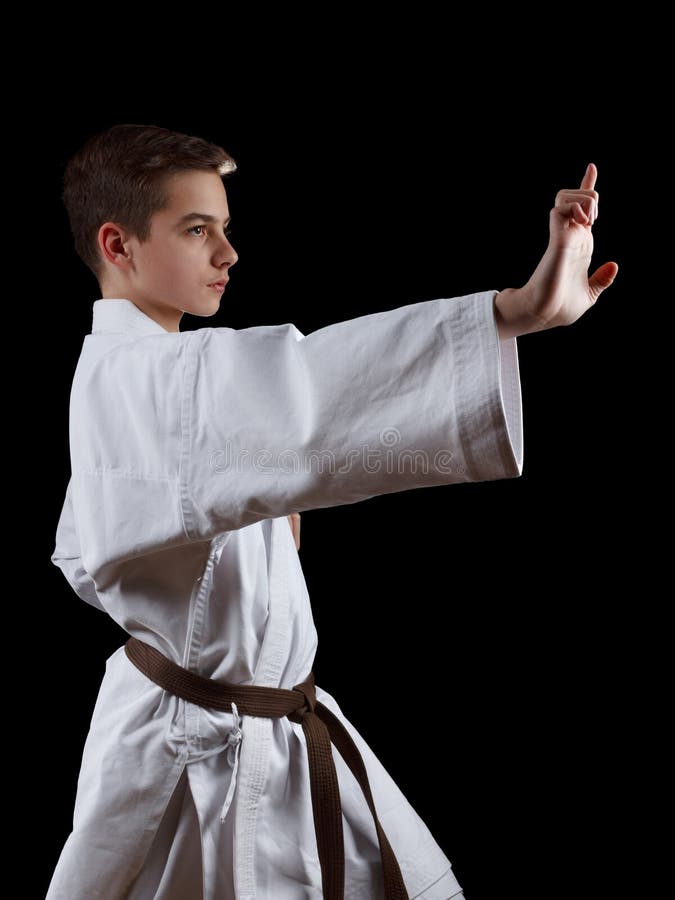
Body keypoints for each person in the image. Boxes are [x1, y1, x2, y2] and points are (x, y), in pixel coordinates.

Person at [47, 123, 618, 900]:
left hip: (266, 727)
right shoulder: (147, 379)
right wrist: (511, 311)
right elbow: (309, 399)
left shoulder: (137, 378)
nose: (227, 254)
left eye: (225, 228)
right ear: (119, 245)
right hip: (201, 758)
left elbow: (90, 549)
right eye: (195, 229)